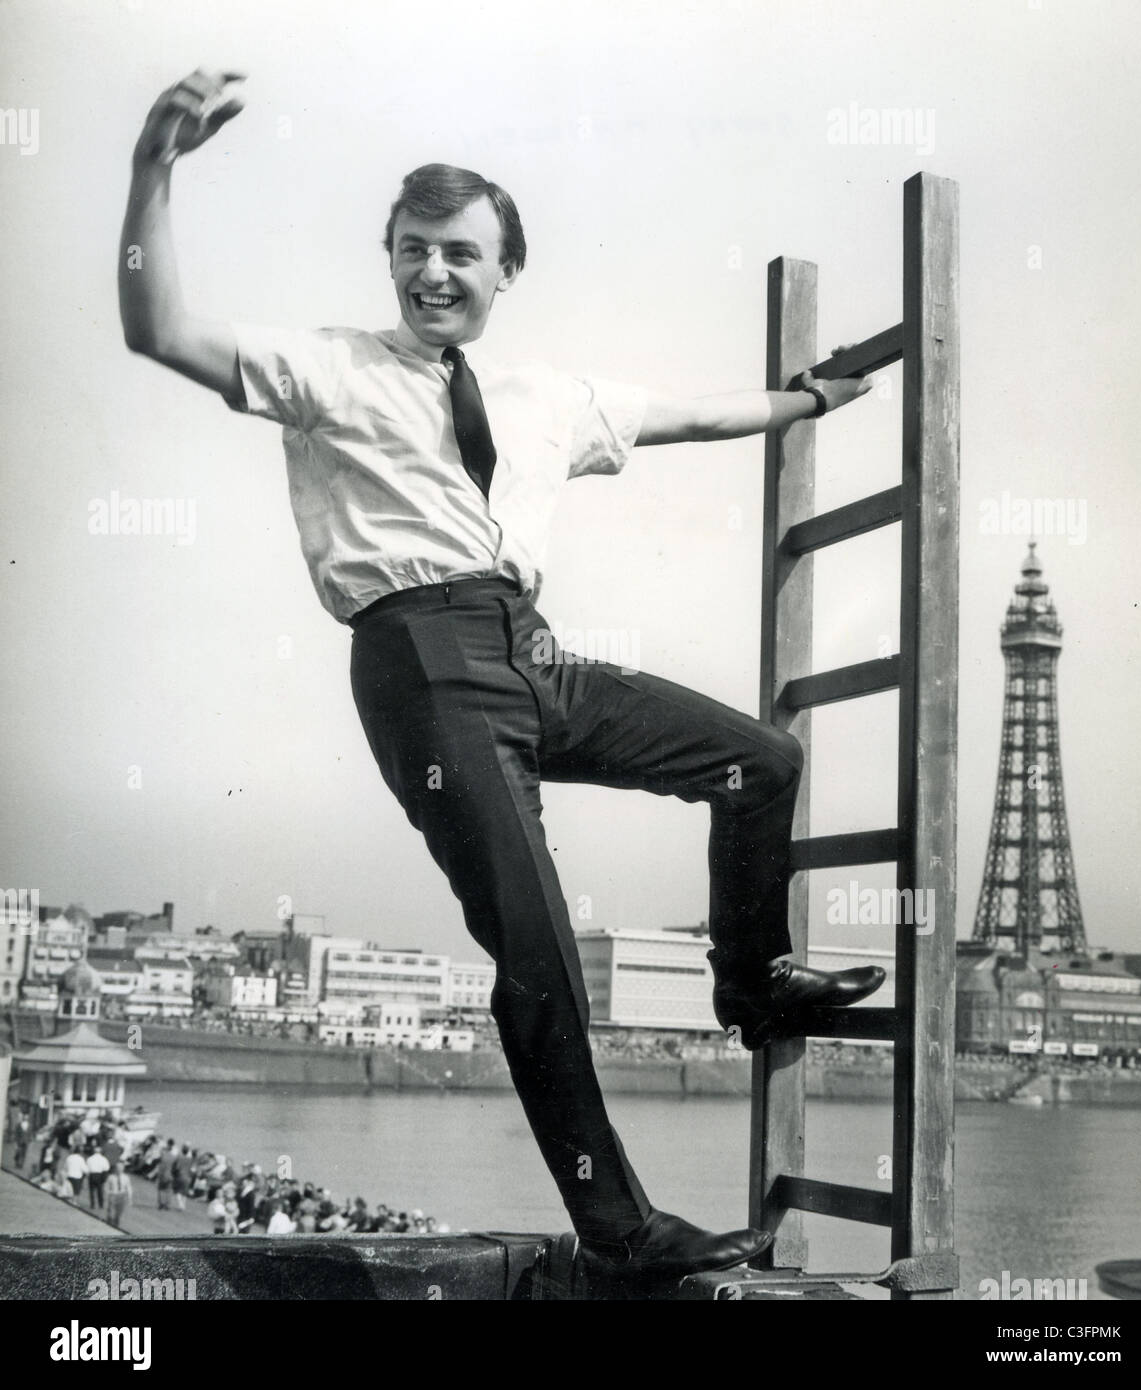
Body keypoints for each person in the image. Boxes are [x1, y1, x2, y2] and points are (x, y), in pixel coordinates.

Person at [119, 67, 885, 1282]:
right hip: (420, 662)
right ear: (390, 257)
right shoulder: (331, 368)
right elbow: (156, 330)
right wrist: (153, 164)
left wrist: (806, 398)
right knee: (539, 956)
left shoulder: (545, 397)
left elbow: (687, 416)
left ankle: (754, 982)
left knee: (760, 757)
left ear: (504, 270)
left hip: (532, 648)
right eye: (414, 250)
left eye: (461, 255)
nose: (435, 273)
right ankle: (624, 1233)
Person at [106, 1160, 133, 1229]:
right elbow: (106, 1187)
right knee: (111, 1212)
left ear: (123, 1169)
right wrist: (108, 1194)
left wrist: (130, 1198)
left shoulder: (126, 1177)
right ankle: (109, 1223)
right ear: (115, 1168)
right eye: (118, 1168)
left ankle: (116, 1225)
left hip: (122, 1196)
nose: (119, 1169)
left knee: (118, 1213)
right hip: (113, 1195)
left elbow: (129, 1188)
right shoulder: (111, 1177)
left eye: (121, 1168)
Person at [85, 1144, 111, 1209]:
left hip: (92, 1175)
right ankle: (101, 1204)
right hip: (100, 1175)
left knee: (92, 1191)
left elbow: (87, 1168)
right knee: (100, 1191)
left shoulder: (90, 1158)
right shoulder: (104, 1159)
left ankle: (92, 1204)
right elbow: (107, 1168)